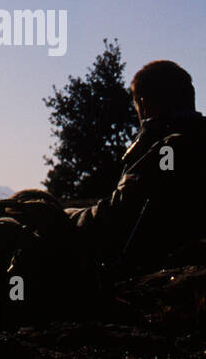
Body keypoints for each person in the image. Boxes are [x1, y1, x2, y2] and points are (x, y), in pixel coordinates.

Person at [66, 60, 206, 269]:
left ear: (145, 105)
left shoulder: (167, 148)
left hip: (159, 275)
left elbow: (117, 217)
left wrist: (65, 216)